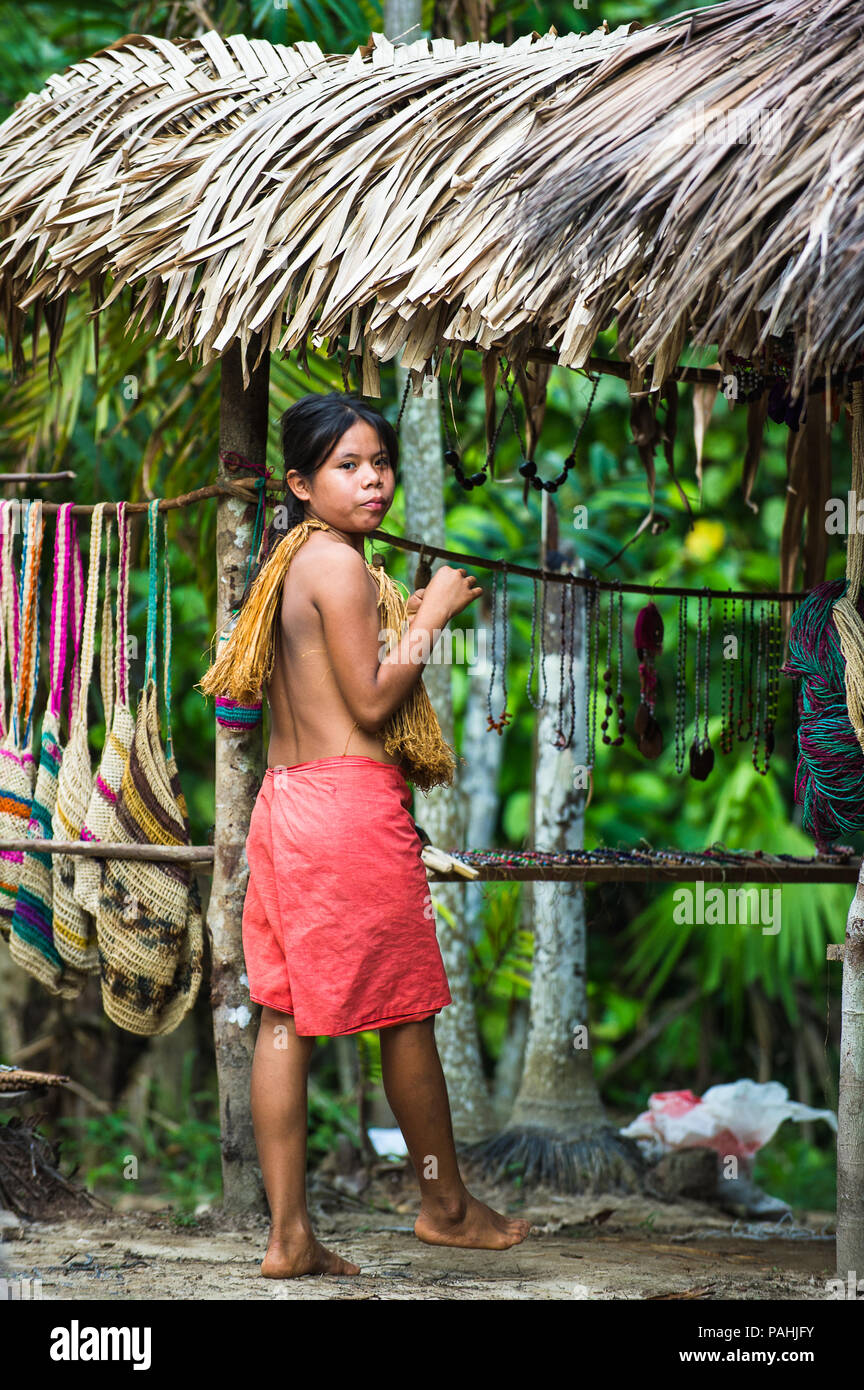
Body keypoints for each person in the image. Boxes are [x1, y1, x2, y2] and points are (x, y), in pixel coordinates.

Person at [199, 390, 532, 1278]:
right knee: (408, 1012)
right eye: (348, 466)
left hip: (288, 802)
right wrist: (429, 617)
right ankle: (446, 1204)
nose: (374, 479)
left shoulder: (294, 560)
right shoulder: (340, 568)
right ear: (302, 483)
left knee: (282, 1015)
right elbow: (375, 698)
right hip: (347, 808)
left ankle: (288, 1235)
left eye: (380, 461)